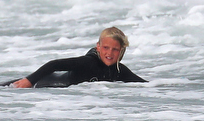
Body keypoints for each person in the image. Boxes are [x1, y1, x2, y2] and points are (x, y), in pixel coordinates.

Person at [9, 26, 146, 88]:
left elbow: (145, 85)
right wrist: (29, 81)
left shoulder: (119, 70)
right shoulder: (88, 63)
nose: (109, 53)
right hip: (42, 84)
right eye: (105, 48)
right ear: (98, 47)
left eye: (115, 49)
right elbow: (54, 65)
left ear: (121, 51)